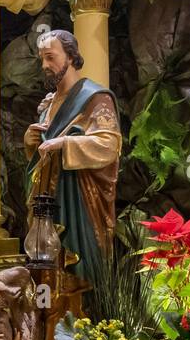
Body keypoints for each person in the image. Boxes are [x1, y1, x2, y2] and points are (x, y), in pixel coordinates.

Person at [24, 30, 122, 282]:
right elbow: (42, 151)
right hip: (47, 200)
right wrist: (31, 142)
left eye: (50, 57)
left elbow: (109, 144)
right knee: (47, 269)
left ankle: (85, 321)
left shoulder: (95, 98)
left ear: (71, 56)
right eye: (41, 60)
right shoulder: (49, 102)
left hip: (79, 201)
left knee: (79, 270)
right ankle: (49, 319)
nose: (45, 65)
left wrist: (64, 143)